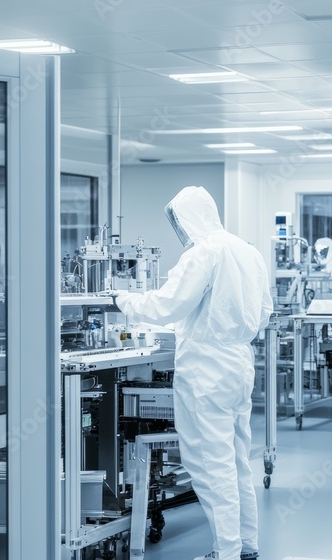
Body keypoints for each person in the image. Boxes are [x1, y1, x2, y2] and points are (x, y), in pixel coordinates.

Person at [114, 186, 271, 560]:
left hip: (206, 369)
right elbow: (264, 312)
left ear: (186, 218)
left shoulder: (204, 253)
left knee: (209, 463)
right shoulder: (248, 251)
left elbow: (169, 304)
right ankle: (246, 545)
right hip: (238, 363)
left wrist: (122, 299)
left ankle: (227, 552)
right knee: (235, 460)